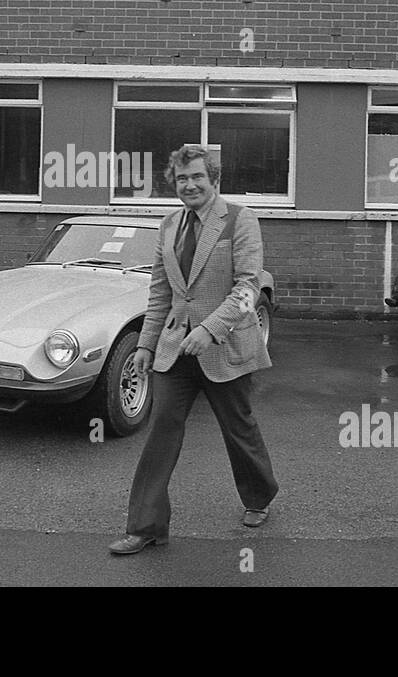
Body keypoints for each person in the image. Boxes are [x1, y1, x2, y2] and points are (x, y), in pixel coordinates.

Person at [108, 144, 279, 555]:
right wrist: (146, 345)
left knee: (239, 429)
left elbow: (248, 289)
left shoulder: (239, 219)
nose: (190, 185)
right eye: (182, 179)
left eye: (198, 177)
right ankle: (146, 526)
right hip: (174, 349)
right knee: (162, 432)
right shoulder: (169, 225)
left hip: (225, 345)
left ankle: (259, 495)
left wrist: (210, 328)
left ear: (214, 179)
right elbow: (160, 292)